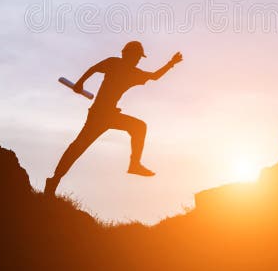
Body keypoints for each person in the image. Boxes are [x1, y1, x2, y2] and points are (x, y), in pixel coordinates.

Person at [44, 41, 183, 197]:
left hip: (109, 115)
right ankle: (54, 180)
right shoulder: (114, 63)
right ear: (127, 54)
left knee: (138, 127)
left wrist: (171, 63)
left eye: (139, 57)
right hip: (99, 115)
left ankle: (134, 164)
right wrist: (80, 83)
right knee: (77, 148)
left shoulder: (127, 70)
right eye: (137, 56)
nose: (138, 60)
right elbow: (94, 69)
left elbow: (154, 76)